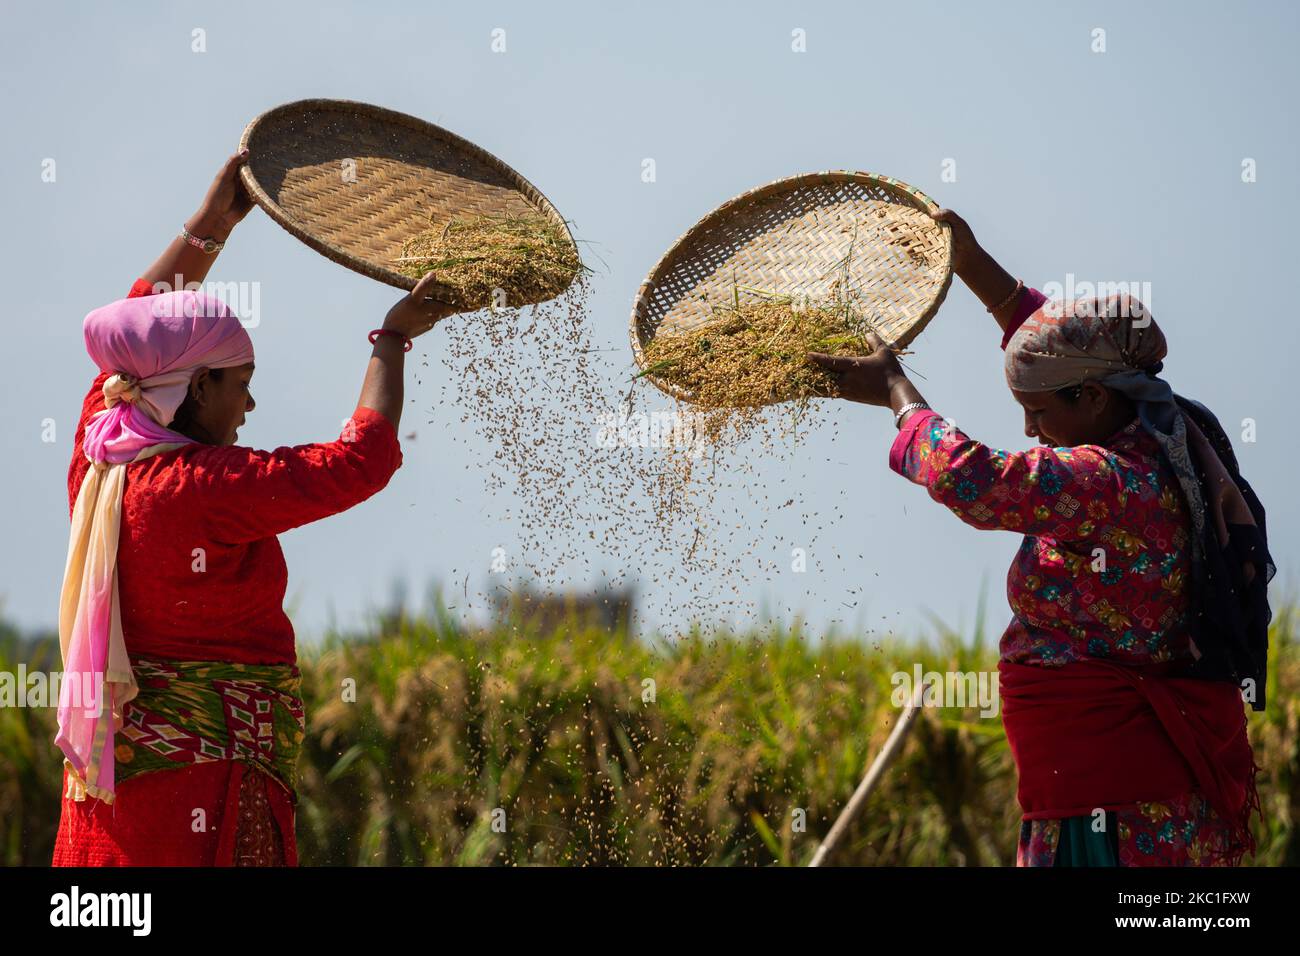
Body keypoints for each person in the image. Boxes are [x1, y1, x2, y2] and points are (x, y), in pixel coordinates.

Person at [809, 208, 1274, 866]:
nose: (1030, 430)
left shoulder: (1108, 482)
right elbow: (1058, 339)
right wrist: (967, 261)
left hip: (1117, 814)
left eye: (1038, 412)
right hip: (1109, 795)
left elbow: (974, 480)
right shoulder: (1163, 428)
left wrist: (895, 394)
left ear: (1090, 398)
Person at [53, 150, 457, 865]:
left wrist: (210, 228)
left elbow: (138, 325)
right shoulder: (201, 488)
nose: (250, 404)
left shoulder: (102, 448)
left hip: (113, 812)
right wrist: (393, 339)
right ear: (198, 387)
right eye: (241, 383)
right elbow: (359, 461)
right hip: (200, 800)